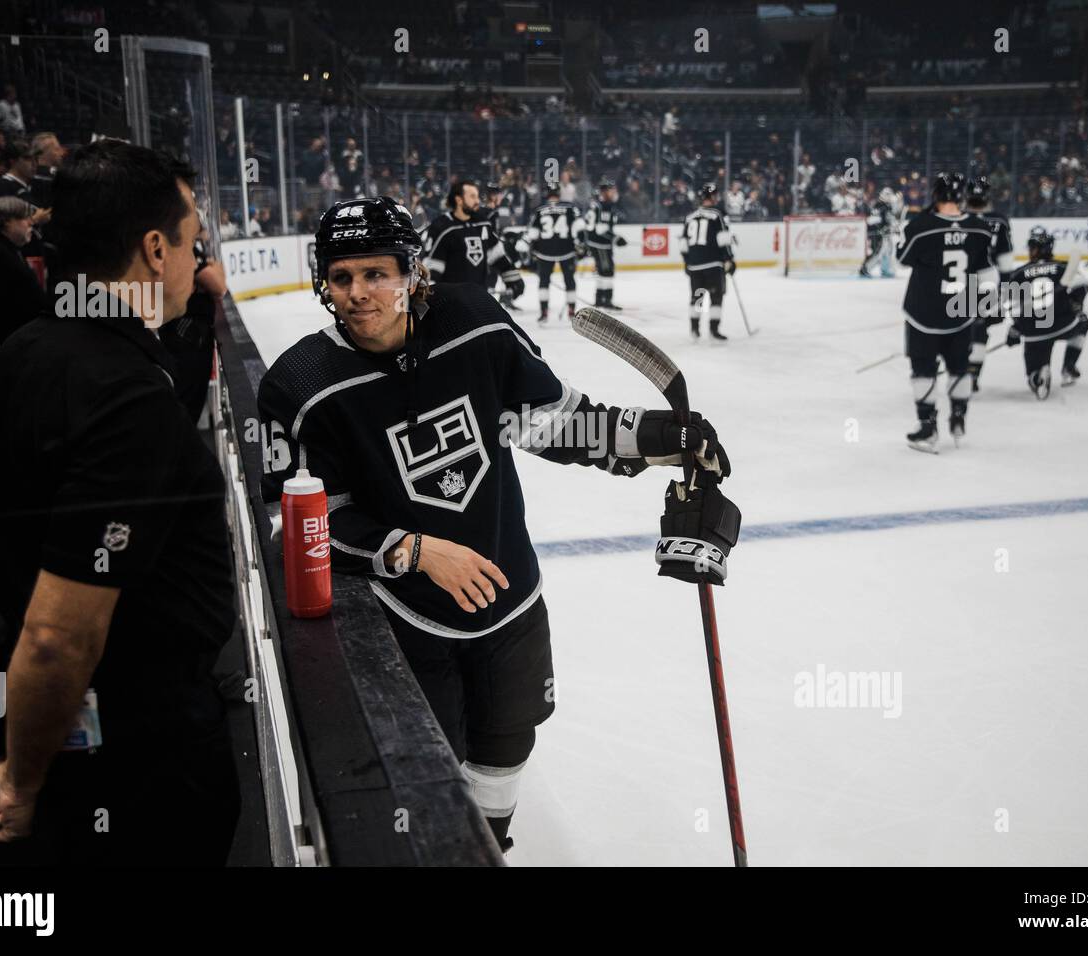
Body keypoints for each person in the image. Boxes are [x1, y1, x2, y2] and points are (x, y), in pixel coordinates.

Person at [256, 197, 732, 852]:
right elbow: (305, 521)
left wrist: (658, 439)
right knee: (430, 768)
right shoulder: (300, 383)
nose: (359, 294)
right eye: (342, 278)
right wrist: (416, 551)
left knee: (507, 742)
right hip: (407, 617)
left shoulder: (474, 320)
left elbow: (550, 420)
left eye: (377, 274)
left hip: (511, 596)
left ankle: (491, 844)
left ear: (412, 271)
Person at [0, 140, 240, 864]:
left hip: (57, 728)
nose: (195, 254)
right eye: (189, 237)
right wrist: (20, 779)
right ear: (153, 248)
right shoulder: (126, 394)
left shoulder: (18, 354)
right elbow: (58, 636)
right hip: (139, 763)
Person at [896, 171, 993, 452]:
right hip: (961, 314)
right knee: (959, 368)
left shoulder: (922, 226)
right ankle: (959, 419)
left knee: (923, 369)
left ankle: (927, 428)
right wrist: (986, 305)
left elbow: (903, 259)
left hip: (923, 313)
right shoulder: (978, 228)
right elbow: (987, 271)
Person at [1001, 227, 1088, 398]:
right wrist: (1075, 303)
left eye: (1032, 247)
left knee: (1033, 368)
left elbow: (1009, 303)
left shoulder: (1018, 273)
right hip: (1064, 325)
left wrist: (1016, 328)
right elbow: (1083, 285)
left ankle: (1037, 376)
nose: (1030, 251)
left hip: (1033, 331)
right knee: (1083, 321)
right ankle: (1068, 366)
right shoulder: (1062, 267)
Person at [158, 211, 228, 420]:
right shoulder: (183, 250)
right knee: (186, 402)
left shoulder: (192, 250)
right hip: (187, 336)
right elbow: (219, 285)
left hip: (191, 335)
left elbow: (218, 275)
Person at [0, 197, 50, 353]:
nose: (31, 222)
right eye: (25, 218)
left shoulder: (9, 248)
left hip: (23, 337)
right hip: (7, 341)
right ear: (6, 222)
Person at [421, 180, 524, 299]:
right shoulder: (443, 228)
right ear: (459, 200)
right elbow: (433, 267)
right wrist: (430, 295)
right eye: (472, 197)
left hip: (479, 298)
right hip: (453, 302)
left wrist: (512, 278)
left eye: (477, 196)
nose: (477, 201)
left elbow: (497, 255)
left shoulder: (482, 224)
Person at [963, 176, 1014, 391]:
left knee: (955, 329)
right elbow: (1005, 258)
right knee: (980, 329)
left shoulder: (956, 217)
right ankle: (973, 374)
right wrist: (1005, 287)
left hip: (955, 281)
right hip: (987, 280)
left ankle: (956, 368)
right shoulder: (999, 220)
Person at [680, 183, 735, 341]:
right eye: (715, 195)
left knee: (697, 297)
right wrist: (729, 259)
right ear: (711, 197)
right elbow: (723, 239)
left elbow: (683, 243)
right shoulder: (718, 214)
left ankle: (694, 329)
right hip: (713, 264)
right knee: (716, 297)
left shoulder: (689, 217)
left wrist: (687, 262)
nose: (717, 198)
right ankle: (714, 329)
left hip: (695, 265)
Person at [524, 183, 584, 324]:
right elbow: (580, 227)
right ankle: (571, 311)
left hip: (544, 252)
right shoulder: (570, 208)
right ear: (559, 193)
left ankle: (544, 312)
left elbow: (532, 233)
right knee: (569, 281)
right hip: (567, 251)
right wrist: (580, 246)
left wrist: (531, 250)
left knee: (543, 282)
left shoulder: (539, 210)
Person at [584, 178, 628, 310]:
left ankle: (600, 300)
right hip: (599, 245)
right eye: (611, 190)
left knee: (605, 271)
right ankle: (605, 301)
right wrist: (615, 238)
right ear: (603, 191)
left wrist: (614, 238)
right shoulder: (599, 206)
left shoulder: (605, 206)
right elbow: (598, 229)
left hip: (603, 244)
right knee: (606, 271)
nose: (613, 192)